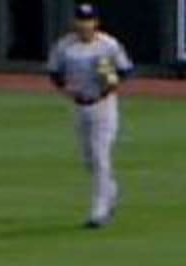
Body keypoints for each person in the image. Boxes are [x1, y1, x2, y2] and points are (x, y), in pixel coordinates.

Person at [45, 2, 132, 229]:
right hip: (79, 106)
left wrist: (109, 79)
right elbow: (54, 72)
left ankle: (99, 211)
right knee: (88, 159)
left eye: (88, 21)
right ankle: (110, 190)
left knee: (101, 155)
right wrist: (64, 87)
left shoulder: (108, 45)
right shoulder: (64, 46)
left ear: (96, 22)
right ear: (75, 23)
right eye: (81, 20)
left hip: (104, 106)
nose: (85, 25)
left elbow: (124, 70)